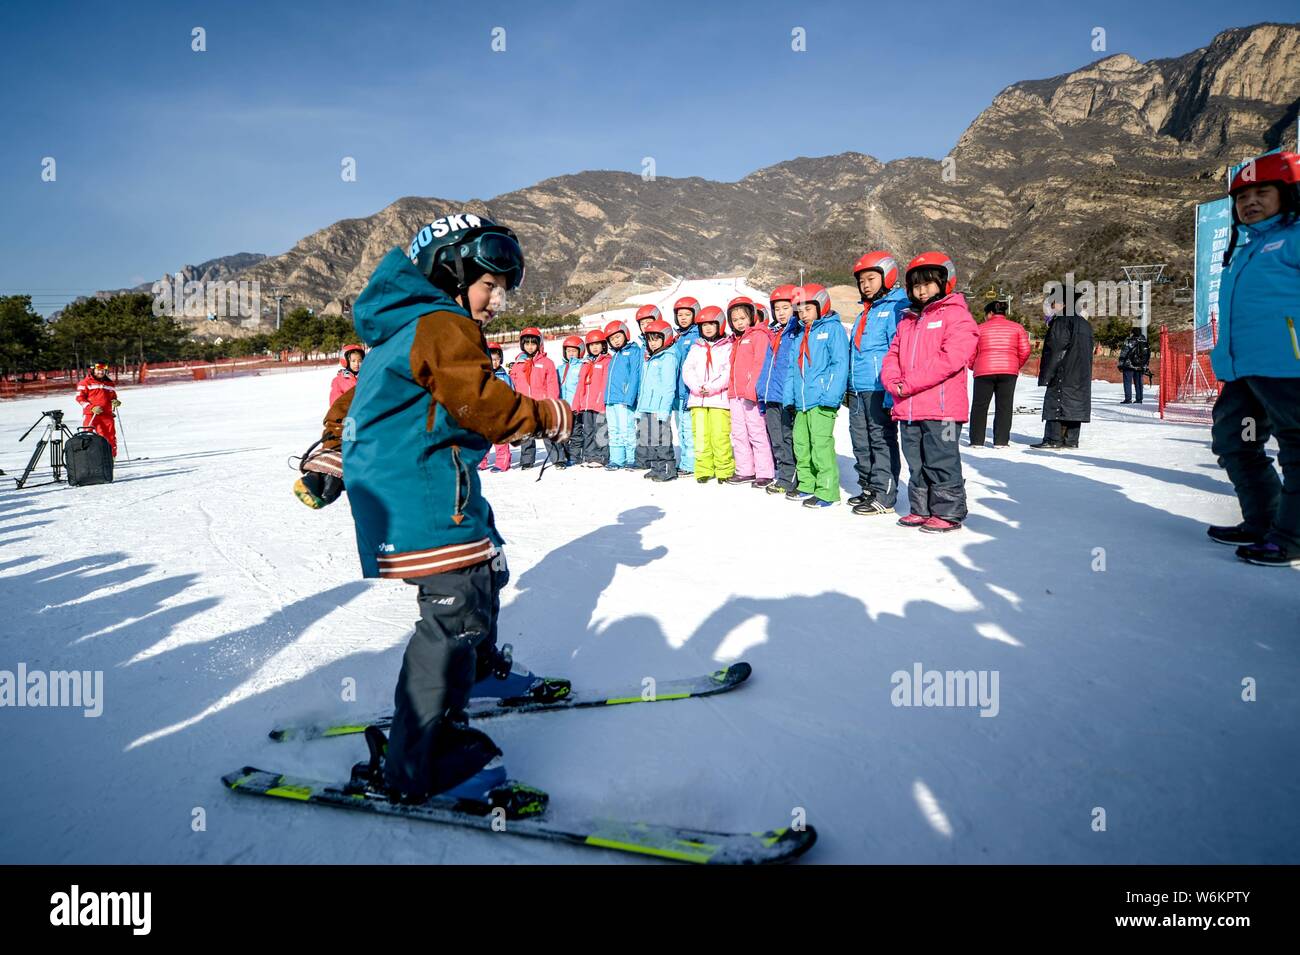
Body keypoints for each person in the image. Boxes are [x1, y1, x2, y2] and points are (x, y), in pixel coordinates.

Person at [329, 213, 571, 806]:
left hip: (441, 484)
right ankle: (420, 762)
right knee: (453, 611)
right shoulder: (443, 324)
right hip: (424, 491)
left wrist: (329, 452)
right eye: (490, 285)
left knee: (487, 571)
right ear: (452, 273)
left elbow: (355, 403)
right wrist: (546, 415)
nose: (497, 300)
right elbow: (481, 402)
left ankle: (478, 669)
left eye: (504, 289)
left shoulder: (406, 327)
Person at [1207, 150, 1300, 567]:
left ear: (1287, 194)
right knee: (1237, 441)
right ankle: (1262, 520)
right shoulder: (1243, 249)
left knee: (1297, 450)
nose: (1250, 202)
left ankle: (1292, 536)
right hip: (1245, 374)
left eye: (1263, 191)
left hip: (1288, 370)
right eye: (1242, 196)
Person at [880, 252, 979, 532]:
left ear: (945, 282)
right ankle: (921, 508)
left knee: (942, 460)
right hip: (909, 408)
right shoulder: (907, 320)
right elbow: (893, 355)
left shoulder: (957, 315)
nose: (921, 290)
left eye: (928, 283)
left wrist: (907, 384)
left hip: (943, 409)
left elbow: (950, 359)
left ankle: (949, 512)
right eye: (915, 285)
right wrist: (892, 380)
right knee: (917, 461)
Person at [845, 252, 908, 516]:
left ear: (888, 276)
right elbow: (855, 353)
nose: (866, 285)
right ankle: (869, 486)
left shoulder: (896, 307)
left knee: (881, 440)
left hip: (880, 387)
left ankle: (885, 493)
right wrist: (848, 387)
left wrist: (893, 388)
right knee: (861, 441)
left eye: (871, 278)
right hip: (859, 389)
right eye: (861, 281)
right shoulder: (864, 314)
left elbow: (899, 348)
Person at [783, 284, 849, 508]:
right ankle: (807, 484)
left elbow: (840, 364)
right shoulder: (800, 334)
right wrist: (789, 397)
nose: (803, 315)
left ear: (821, 306)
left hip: (821, 399)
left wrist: (831, 395)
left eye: (807, 309)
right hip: (802, 401)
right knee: (801, 444)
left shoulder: (833, 329)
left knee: (820, 445)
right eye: (799, 311)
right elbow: (793, 369)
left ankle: (827, 491)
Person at [1033, 291, 1094, 449]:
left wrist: (1047, 373)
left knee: (1057, 401)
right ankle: (1071, 439)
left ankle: (1054, 439)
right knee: (1075, 402)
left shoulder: (1061, 322)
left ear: (1063, 303)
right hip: (1081, 373)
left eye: (1054, 302)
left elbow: (1055, 350)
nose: (1052, 306)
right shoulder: (1085, 324)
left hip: (1063, 371)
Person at [681, 305, 735, 484]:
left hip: (718, 400)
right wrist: (696, 387)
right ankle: (704, 469)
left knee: (720, 436)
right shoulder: (696, 348)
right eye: (704, 325)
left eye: (712, 324)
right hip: (698, 399)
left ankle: (724, 469)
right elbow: (687, 370)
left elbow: (728, 372)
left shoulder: (727, 346)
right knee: (701, 436)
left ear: (720, 324)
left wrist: (712, 387)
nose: (708, 328)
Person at [725, 296, 775, 486]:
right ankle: (745, 470)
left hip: (751, 395)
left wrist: (752, 390)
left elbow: (759, 364)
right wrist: (731, 391)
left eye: (743, 318)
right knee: (738, 434)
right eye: (735, 320)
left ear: (752, 316)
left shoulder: (759, 335)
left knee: (756, 432)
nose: (739, 323)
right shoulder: (736, 340)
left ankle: (765, 472)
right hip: (735, 394)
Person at [756, 285, 800, 494]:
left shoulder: (796, 332)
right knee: (776, 437)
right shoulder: (774, 332)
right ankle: (784, 474)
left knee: (788, 436)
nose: (781, 313)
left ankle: (792, 475)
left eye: (786, 308)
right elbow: (766, 364)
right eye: (777, 309)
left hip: (786, 395)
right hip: (770, 393)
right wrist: (760, 390)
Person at [968, 300, 1031, 448]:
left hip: (983, 370)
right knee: (1004, 406)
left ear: (990, 314)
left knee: (980, 406)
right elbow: (1025, 350)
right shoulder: (1017, 328)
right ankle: (1001, 441)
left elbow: (970, 352)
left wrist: (974, 366)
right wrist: (1015, 364)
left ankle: (977, 441)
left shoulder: (979, 329)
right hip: (1008, 371)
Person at [509, 326, 560, 468]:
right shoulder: (518, 365)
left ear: (539, 344)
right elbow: (513, 384)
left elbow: (552, 384)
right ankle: (527, 460)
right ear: (522, 344)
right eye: (527, 343)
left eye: (533, 343)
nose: (530, 347)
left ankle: (558, 458)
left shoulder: (547, 363)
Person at [635, 319, 680, 481]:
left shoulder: (668, 357)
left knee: (662, 439)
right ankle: (656, 467)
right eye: (650, 340)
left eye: (656, 339)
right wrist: (640, 408)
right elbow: (645, 385)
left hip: (659, 407)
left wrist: (664, 410)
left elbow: (669, 387)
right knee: (650, 439)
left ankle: (668, 468)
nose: (652, 343)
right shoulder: (650, 357)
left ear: (666, 338)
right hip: (647, 405)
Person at [603, 319, 643, 470]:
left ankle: (631, 458)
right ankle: (617, 459)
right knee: (614, 430)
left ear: (625, 334)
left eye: (618, 337)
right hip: (611, 400)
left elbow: (635, 375)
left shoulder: (633, 351)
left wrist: (630, 397)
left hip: (624, 399)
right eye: (612, 339)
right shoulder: (615, 356)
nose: (616, 341)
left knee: (627, 429)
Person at [670, 296, 701, 474]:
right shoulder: (678, 338)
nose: (682, 318)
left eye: (686, 314)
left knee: (689, 430)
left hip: (688, 392)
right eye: (679, 315)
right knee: (680, 428)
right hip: (677, 392)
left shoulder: (696, 336)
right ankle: (684, 461)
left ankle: (691, 464)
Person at [573, 329, 612, 467]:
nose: (594, 347)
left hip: (599, 404)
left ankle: (602, 456)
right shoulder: (586, 363)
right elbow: (580, 386)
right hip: (586, 404)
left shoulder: (607, 361)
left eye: (597, 344)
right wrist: (576, 404)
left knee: (600, 430)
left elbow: (605, 383)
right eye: (591, 345)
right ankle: (590, 456)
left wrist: (600, 400)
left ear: (603, 345)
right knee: (588, 431)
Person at [632, 304, 662, 469]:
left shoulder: (663, 344)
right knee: (643, 427)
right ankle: (643, 460)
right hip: (642, 394)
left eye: (649, 322)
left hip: (657, 395)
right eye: (642, 324)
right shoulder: (641, 347)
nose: (646, 326)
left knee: (657, 429)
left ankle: (657, 460)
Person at [478, 344, 514, 472]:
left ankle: (502, 462)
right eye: (491, 359)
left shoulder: (505, 377)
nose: (494, 362)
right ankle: (481, 462)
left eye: (497, 359)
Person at [75, 362, 120, 457]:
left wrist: (115, 402)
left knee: (109, 437)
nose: (101, 372)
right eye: (98, 370)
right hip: (91, 414)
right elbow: (80, 398)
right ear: (93, 370)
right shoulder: (85, 383)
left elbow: (112, 397)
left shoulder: (109, 383)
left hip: (106, 415)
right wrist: (91, 408)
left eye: (103, 370)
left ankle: (110, 457)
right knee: (88, 436)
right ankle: (86, 458)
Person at [557, 335, 585, 467]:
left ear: (580, 351)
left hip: (575, 406)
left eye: (574, 351)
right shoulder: (561, 368)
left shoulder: (582, 366)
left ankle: (575, 456)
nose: (571, 354)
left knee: (575, 432)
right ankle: (566, 455)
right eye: (568, 351)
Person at [1117, 327, 1151, 404]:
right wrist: (1145, 365)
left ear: (1133, 333)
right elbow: (1147, 355)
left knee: (1127, 382)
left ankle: (1128, 399)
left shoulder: (1129, 340)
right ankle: (1139, 399)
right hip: (1140, 365)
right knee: (1139, 382)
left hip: (1129, 365)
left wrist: (1121, 364)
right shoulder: (1145, 341)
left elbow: (1124, 352)